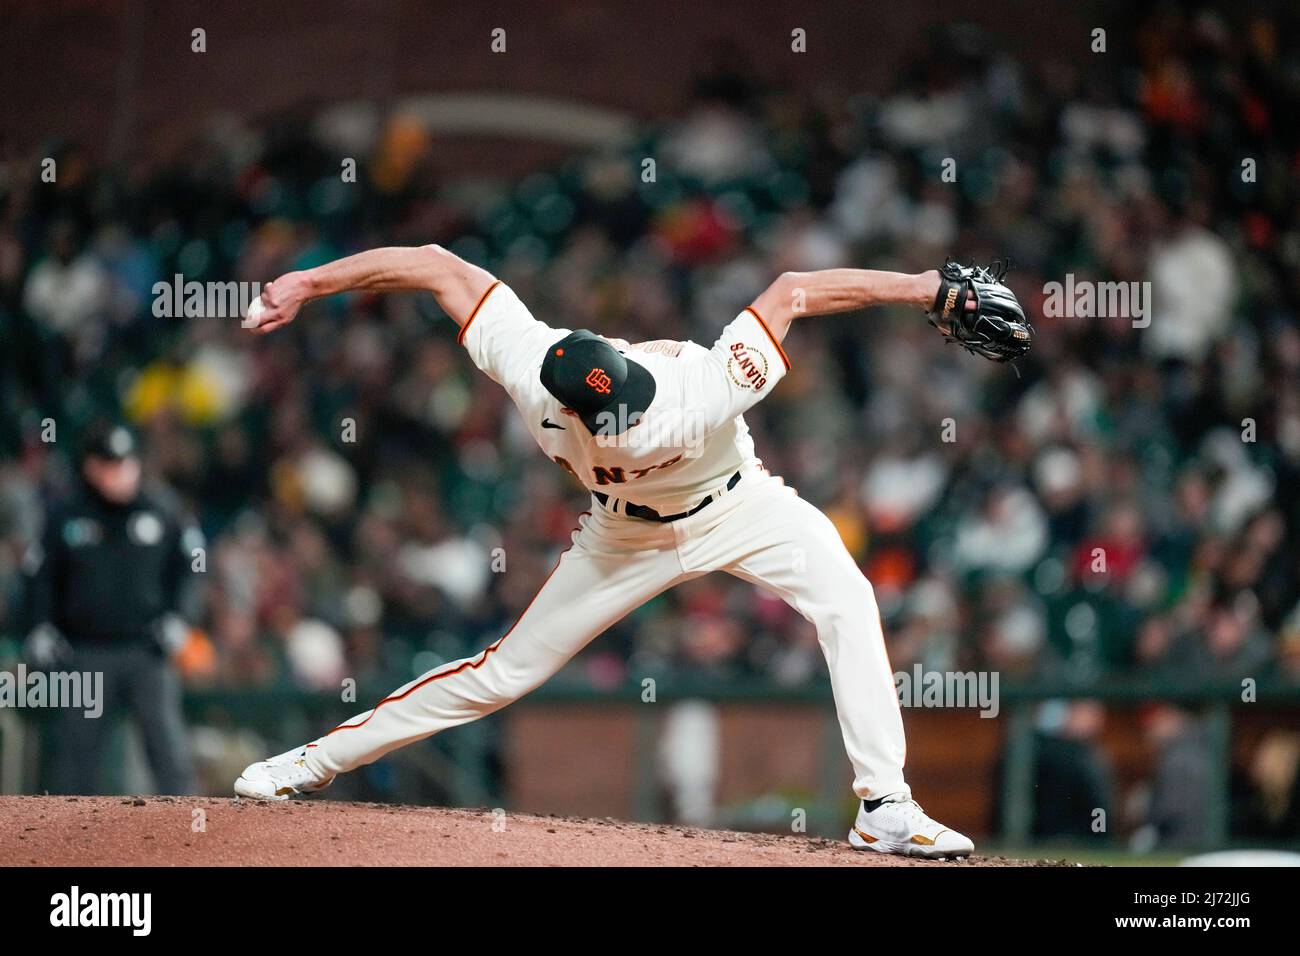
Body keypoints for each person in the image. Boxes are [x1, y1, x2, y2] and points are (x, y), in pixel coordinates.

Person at [234, 244, 1023, 858]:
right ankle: (309, 762)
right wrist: (312, 283)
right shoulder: (542, 374)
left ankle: (885, 807)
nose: (627, 414)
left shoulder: (693, 387)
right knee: (502, 674)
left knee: (847, 597)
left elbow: (795, 289)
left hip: (739, 505)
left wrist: (927, 287)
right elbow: (438, 267)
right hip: (623, 534)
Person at [24, 422, 201, 795]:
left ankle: (190, 827)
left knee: (168, 752)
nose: (121, 473)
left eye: (126, 463)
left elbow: (192, 567)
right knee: (75, 759)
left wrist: (181, 617)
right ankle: (68, 831)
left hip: (148, 650)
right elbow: (40, 575)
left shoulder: (162, 509)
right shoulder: (66, 514)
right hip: (85, 651)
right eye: (110, 464)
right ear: (91, 467)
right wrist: (41, 625)